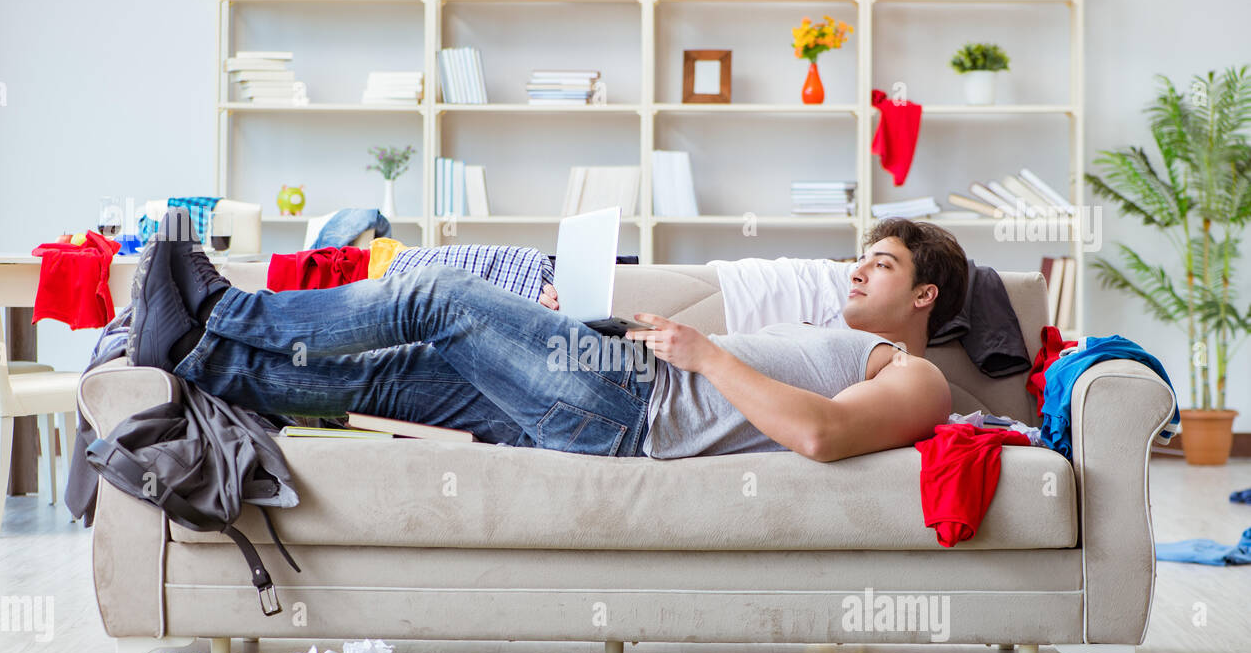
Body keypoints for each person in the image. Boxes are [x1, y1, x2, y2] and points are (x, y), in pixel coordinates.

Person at [127, 211, 965, 461]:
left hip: (633, 403)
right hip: (613, 377)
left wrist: (703, 351)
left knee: (437, 294)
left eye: (881, 266)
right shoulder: (831, 328)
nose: (856, 271)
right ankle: (196, 353)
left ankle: (226, 311)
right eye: (858, 259)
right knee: (388, 378)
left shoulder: (922, 381)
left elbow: (819, 435)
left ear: (924, 296)